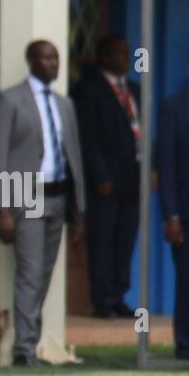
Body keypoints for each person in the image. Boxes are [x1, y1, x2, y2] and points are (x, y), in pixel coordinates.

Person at [0, 40, 86, 367]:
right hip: (25, 197)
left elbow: (75, 158)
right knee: (29, 274)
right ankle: (24, 351)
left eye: (57, 57)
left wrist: (79, 211)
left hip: (59, 198)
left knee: (43, 274)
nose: (53, 63)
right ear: (31, 61)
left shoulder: (65, 104)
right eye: (46, 57)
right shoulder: (9, 100)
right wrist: (3, 210)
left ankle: (29, 343)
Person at [73, 34, 141, 318]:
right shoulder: (89, 91)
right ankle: (102, 298)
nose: (125, 59)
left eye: (127, 54)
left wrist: (151, 168)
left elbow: (143, 132)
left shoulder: (135, 90)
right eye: (119, 54)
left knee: (125, 239)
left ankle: (119, 296)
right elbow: (87, 139)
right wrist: (100, 174)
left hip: (132, 177)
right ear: (104, 58)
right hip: (105, 181)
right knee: (102, 239)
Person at [158, 46, 189, 360]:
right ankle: (186, 344)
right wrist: (171, 214)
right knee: (187, 280)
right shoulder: (173, 108)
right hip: (186, 213)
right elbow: (166, 165)